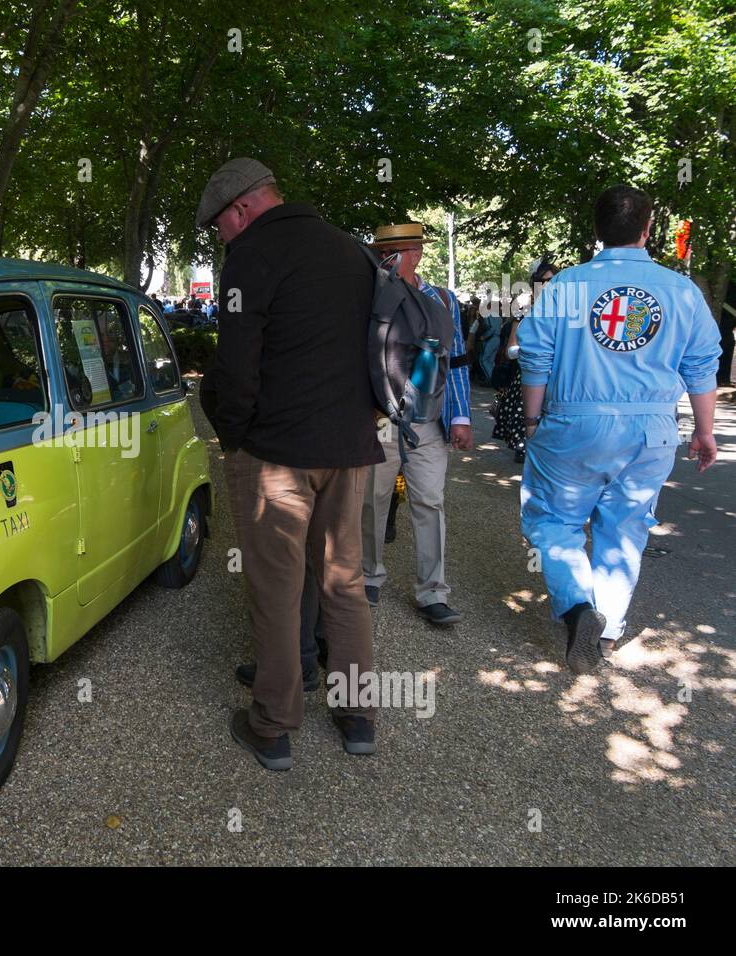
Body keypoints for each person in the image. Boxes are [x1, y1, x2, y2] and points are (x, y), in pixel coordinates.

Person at [196, 157, 382, 766]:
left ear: (242, 209)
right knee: (344, 583)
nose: (221, 236)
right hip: (349, 449)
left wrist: (235, 437)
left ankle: (273, 724)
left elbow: (236, 366)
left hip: (276, 452)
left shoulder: (250, 256)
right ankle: (357, 718)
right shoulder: (353, 252)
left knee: (276, 588)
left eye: (219, 224)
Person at [520, 185, 721, 673]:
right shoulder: (683, 292)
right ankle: (606, 632)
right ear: (648, 230)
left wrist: (531, 419)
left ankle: (577, 605)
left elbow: (536, 357)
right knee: (626, 527)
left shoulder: (565, 287)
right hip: (651, 431)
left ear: (596, 230)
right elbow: (701, 365)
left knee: (554, 521)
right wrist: (705, 431)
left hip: (574, 424)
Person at [361, 223, 472, 626]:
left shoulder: (442, 299)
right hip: (380, 420)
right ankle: (368, 575)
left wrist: (460, 416)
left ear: (415, 254)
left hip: (429, 421)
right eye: (382, 253)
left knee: (430, 501)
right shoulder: (369, 296)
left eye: (393, 253)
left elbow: (454, 360)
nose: (384, 260)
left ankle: (432, 592)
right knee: (372, 499)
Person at [493, 257, 558, 462]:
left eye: (553, 281)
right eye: (544, 281)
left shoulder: (568, 315)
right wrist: (534, 352)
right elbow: (510, 350)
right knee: (526, 444)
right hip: (529, 377)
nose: (549, 285)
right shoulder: (525, 313)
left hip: (558, 380)